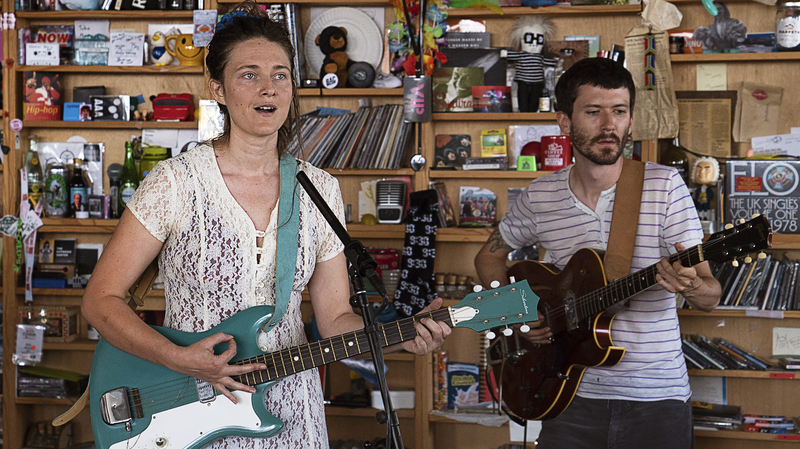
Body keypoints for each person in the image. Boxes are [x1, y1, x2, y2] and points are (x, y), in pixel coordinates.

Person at [81, 3, 451, 448]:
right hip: (187, 405)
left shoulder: (319, 188)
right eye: (249, 74)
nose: (268, 88)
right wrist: (181, 359)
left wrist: (404, 334)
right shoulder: (175, 183)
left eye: (280, 74)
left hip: (293, 411)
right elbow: (100, 301)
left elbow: (334, 318)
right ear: (218, 88)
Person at [474, 57, 721, 449]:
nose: (609, 126)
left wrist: (692, 287)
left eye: (619, 112)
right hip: (566, 392)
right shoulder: (540, 196)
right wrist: (519, 316)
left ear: (630, 119)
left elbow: (711, 293)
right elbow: (489, 257)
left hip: (656, 399)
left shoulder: (664, 185)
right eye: (593, 112)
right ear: (565, 122)